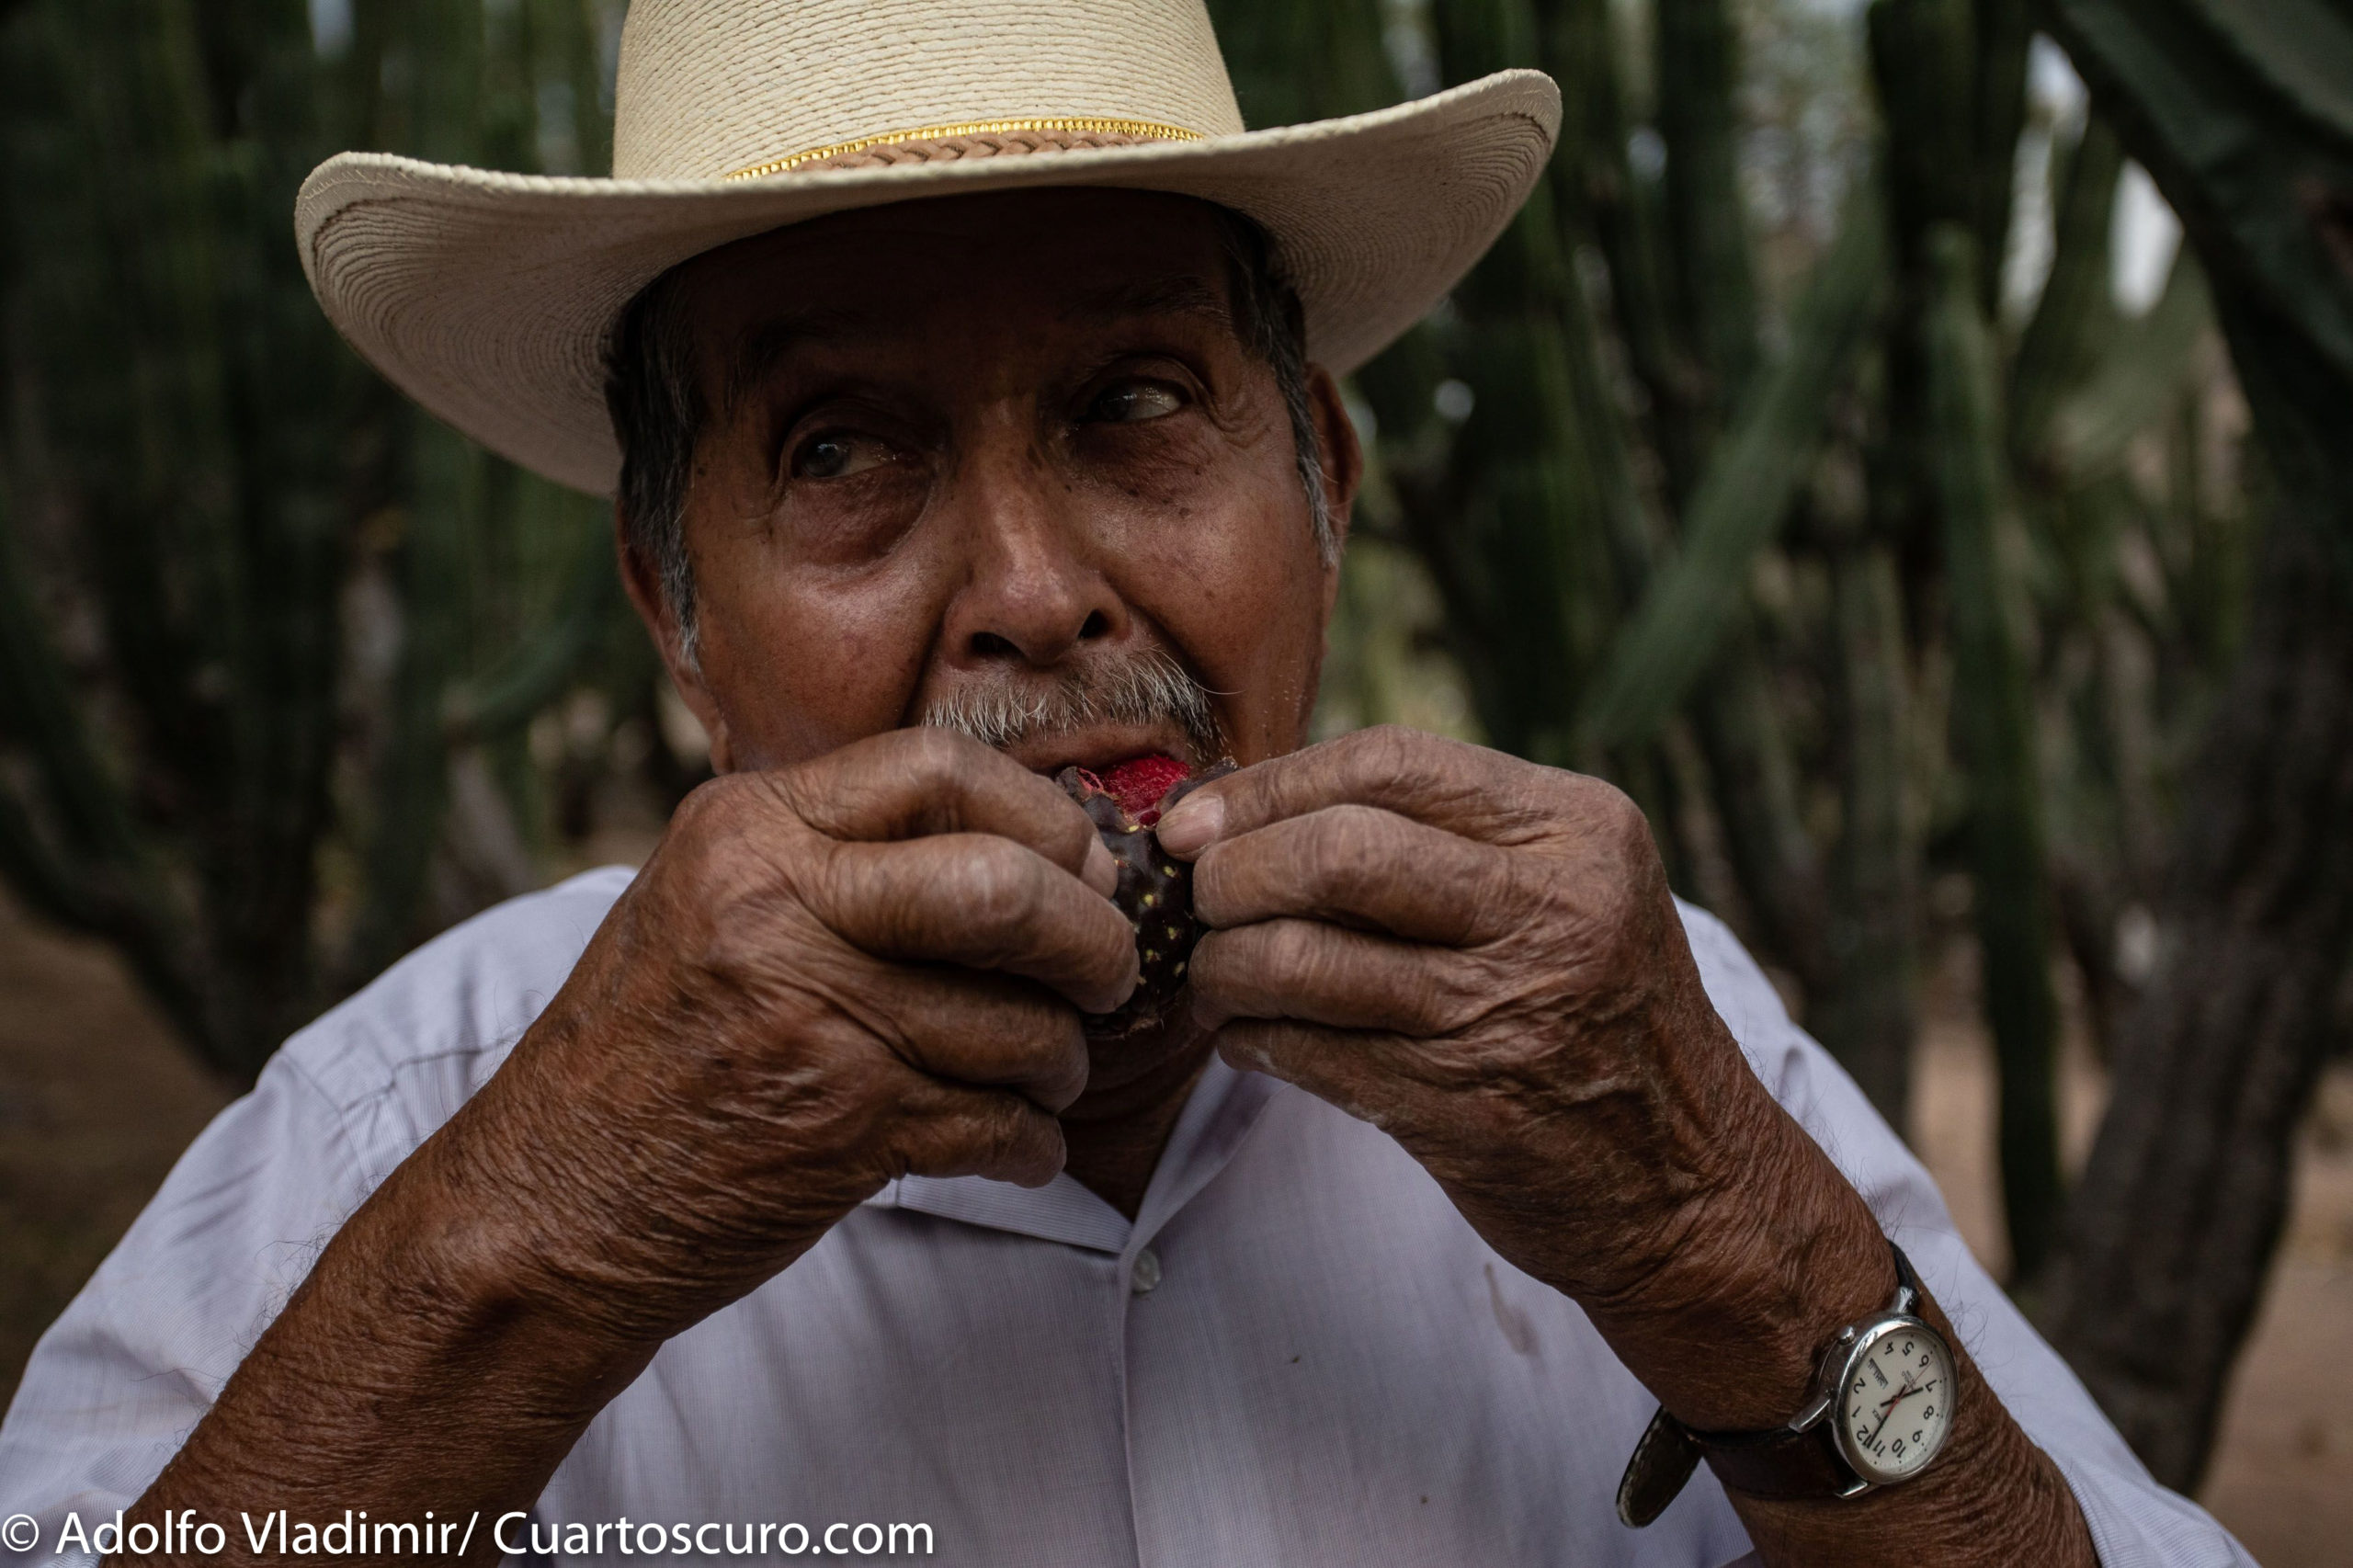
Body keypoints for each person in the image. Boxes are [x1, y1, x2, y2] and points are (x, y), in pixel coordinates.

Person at [0, 3, 2253, 1564]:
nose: (1030, 593)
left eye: (1132, 405)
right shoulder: (413, 1128)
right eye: (843, 452)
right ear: (672, 608)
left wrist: (1738, 1254)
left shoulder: (1641, 1056)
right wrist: (532, 1242)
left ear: (1326, 486)